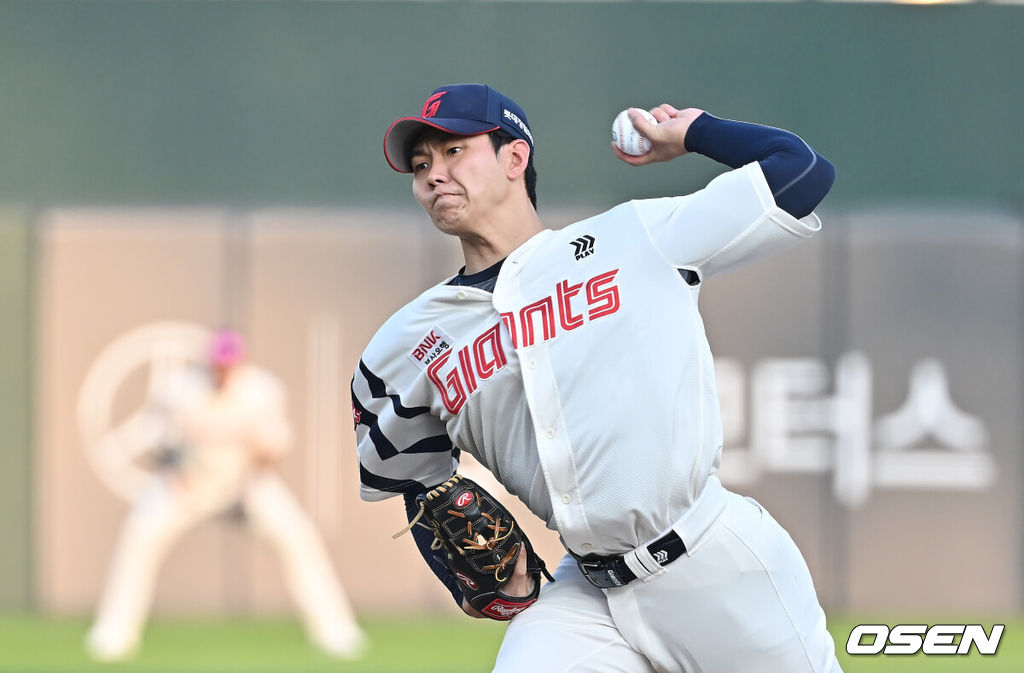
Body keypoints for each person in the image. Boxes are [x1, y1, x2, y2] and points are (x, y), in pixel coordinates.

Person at [352, 83, 841, 672]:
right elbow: (418, 484)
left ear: (515, 158)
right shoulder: (406, 346)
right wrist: (471, 565)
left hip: (718, 569)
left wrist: (692, 132)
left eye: (455, 150)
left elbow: (802, 173)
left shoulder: (631, 239)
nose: (433, 174)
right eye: (421, 164)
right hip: (588, 596)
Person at [87, 330, 366, 662]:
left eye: (229, 364)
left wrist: (254, 460)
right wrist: (177, 471)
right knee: (140, 536)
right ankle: (114, 635)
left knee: (298, 536)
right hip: (187, 483)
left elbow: (273, 451)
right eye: (218, 364)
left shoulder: (262, 390)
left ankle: (337, 633)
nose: (222, 370)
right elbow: (156, 440)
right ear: (209, 362)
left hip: (245, 483)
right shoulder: (180, 390)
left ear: (239, 363)